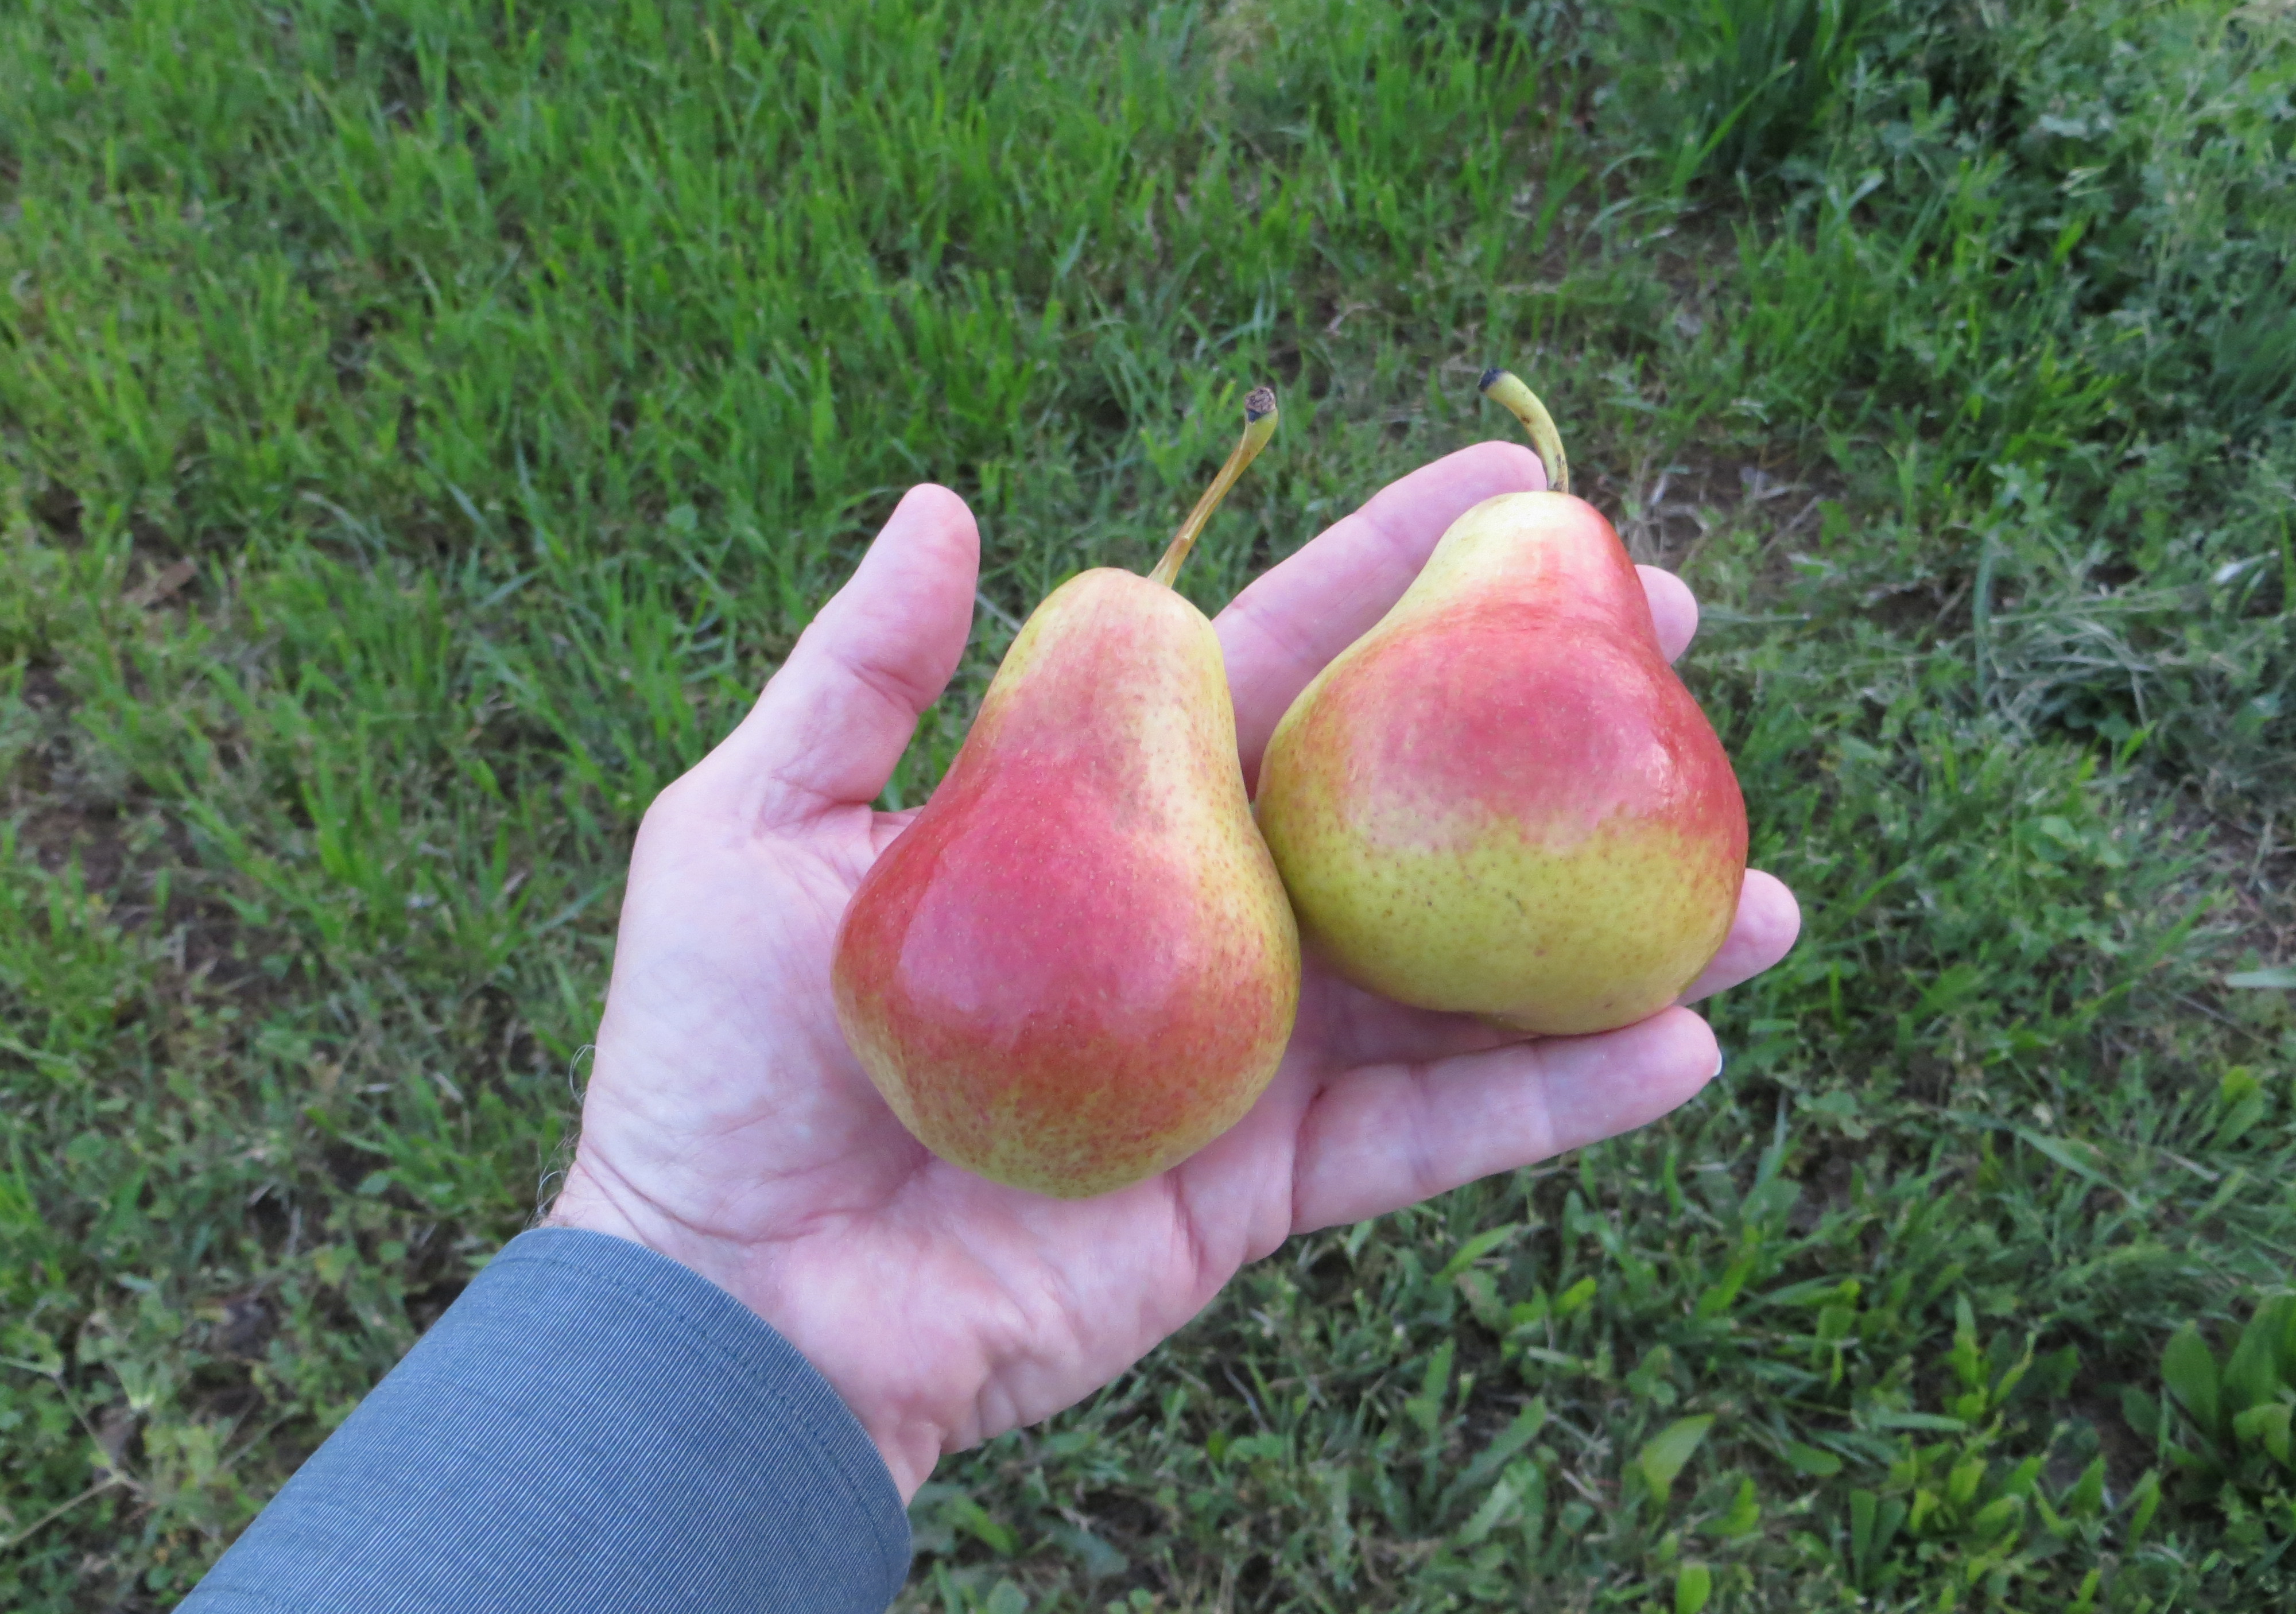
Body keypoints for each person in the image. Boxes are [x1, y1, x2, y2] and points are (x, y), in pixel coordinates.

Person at [181, 441, 1799, 1612]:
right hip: (1348, 968)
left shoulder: (1239, 792)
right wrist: (699, 1263)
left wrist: (684, 1291)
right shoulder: (1206, 790)